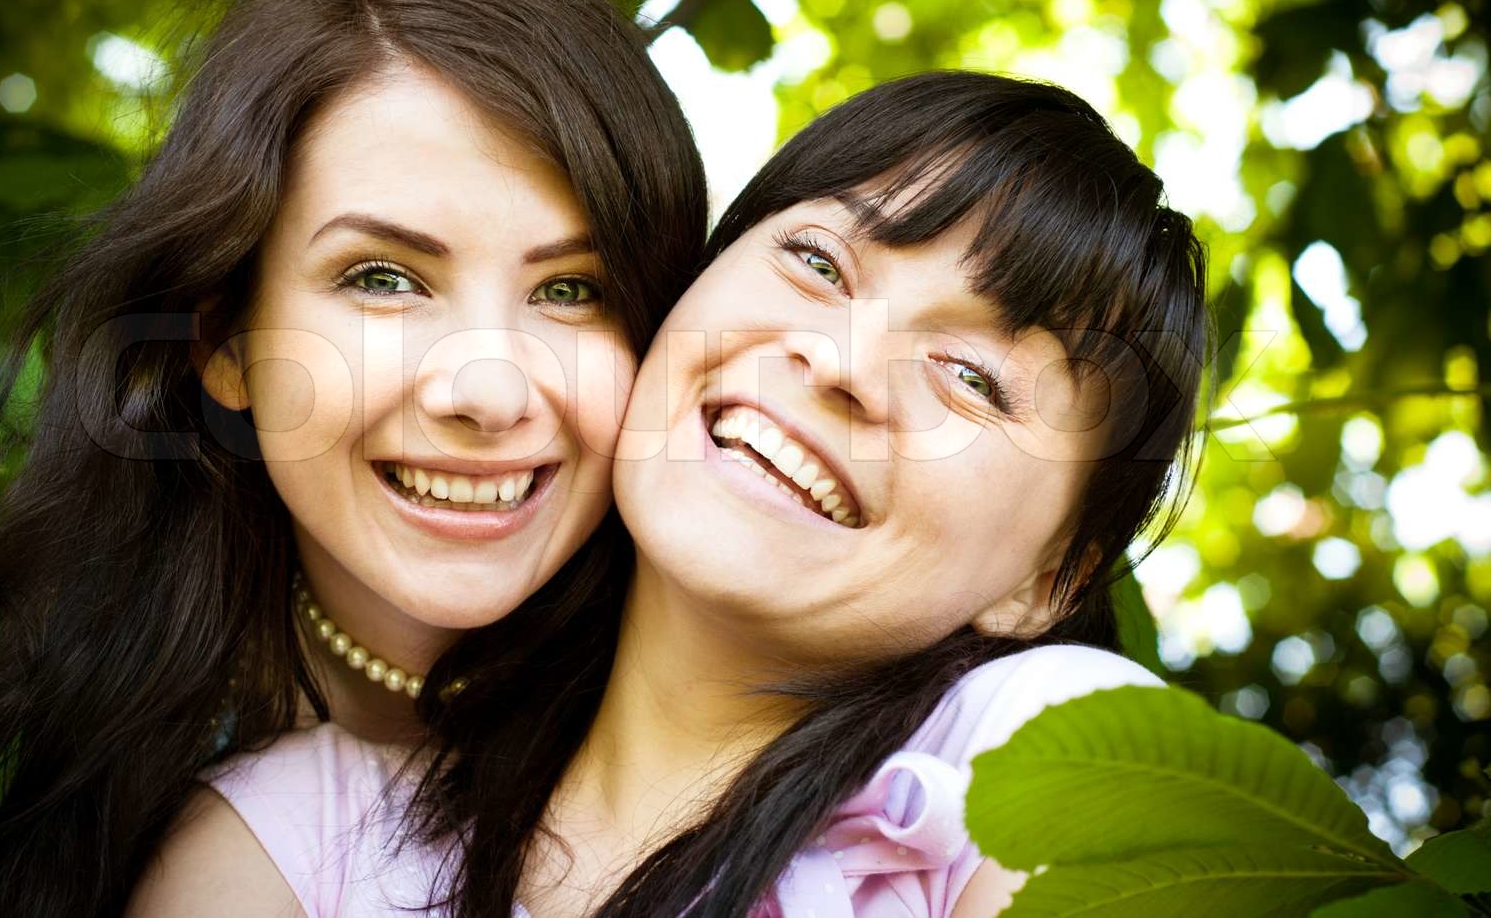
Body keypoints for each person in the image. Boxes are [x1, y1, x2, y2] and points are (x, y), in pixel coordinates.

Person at [146, 70, 1210, 917]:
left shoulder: (1039, 756)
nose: (839, 361)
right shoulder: (298, 833)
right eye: (818, 261)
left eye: (974, 380)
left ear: (1046, 579)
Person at [0, 0, 708, 916]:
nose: (488, 393)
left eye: (573, 290)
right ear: (225, 341)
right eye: (384, 279)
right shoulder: (47, 715)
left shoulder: (771, 679)